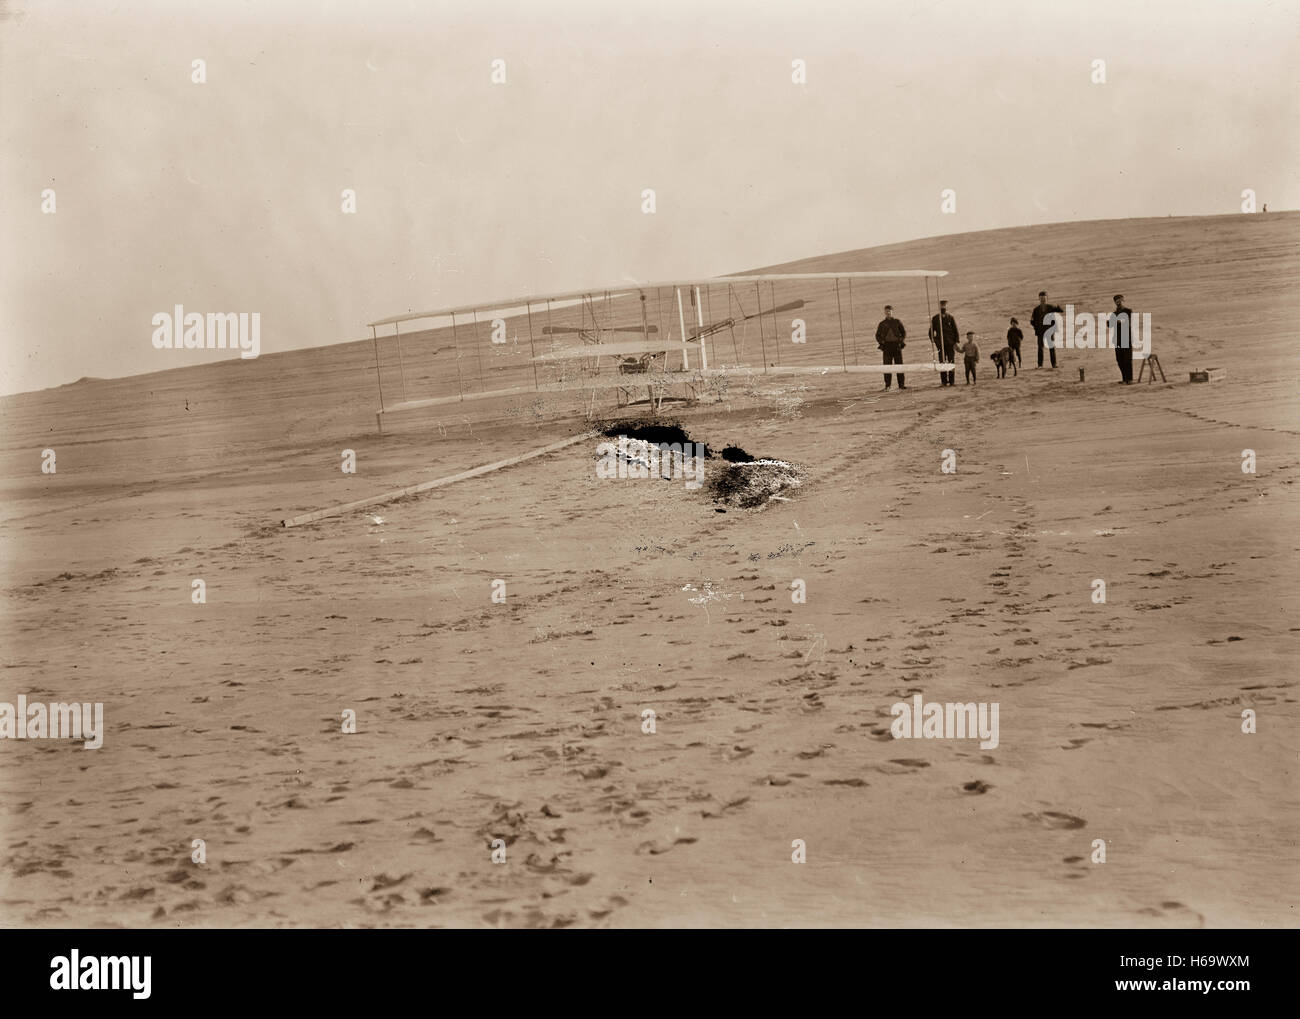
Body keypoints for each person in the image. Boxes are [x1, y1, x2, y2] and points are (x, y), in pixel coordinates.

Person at [874, 304, 907, 391]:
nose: (888, 313)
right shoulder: (882, 324)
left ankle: (901, 385)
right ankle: (887, 385)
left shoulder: (897, 322)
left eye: (889, 311)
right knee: (887, 367)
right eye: (887, 311)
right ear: (885, 312)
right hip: (887, 347)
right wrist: (882, 342)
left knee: (899, 366)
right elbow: (877, 336)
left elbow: (903, 333)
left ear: (892, 312)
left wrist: (900, 341)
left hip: (897, 346)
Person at [929, 299, 959, 386]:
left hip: (950, 343)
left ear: (947, 306)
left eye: (945, 306)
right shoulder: (935, 318)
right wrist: (934, 340)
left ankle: (952, 381)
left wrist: (956, 341)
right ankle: (944, 381)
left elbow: (955, 330)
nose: (943, 307)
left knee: (951, 361)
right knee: (942, 362)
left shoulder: (950, 317)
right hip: (941, 344)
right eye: (942, 306)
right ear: (939, 307)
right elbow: (931, 331)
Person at [1030, 291, 1063, 368]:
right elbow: (1032, 321)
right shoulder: (1036, 309)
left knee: (1051, 347)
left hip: (1050, 331)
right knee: (1040, 348)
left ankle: (1054, 364)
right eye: (1041, 298)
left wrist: (1058, 307)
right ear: (1039, 299)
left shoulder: (1050, 307)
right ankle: (1040, 365)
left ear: (1047, 298)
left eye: (1044, 298)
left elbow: (1060, 311)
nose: (1043, 300)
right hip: (1040, 331)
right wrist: (1036, 326)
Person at [1110, 294, 1134, 384]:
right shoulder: (1114, 313)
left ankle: (1129, 379)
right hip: (1117, 340)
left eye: (1120, 300)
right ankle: (1124, 379)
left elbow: (1123, 320)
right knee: (1119, 360)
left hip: (1126, 339)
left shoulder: (1127, 311)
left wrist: (1115, 321)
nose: (1119, 302)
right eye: (1117, 301)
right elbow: (1109, 324)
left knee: (1127, 360)